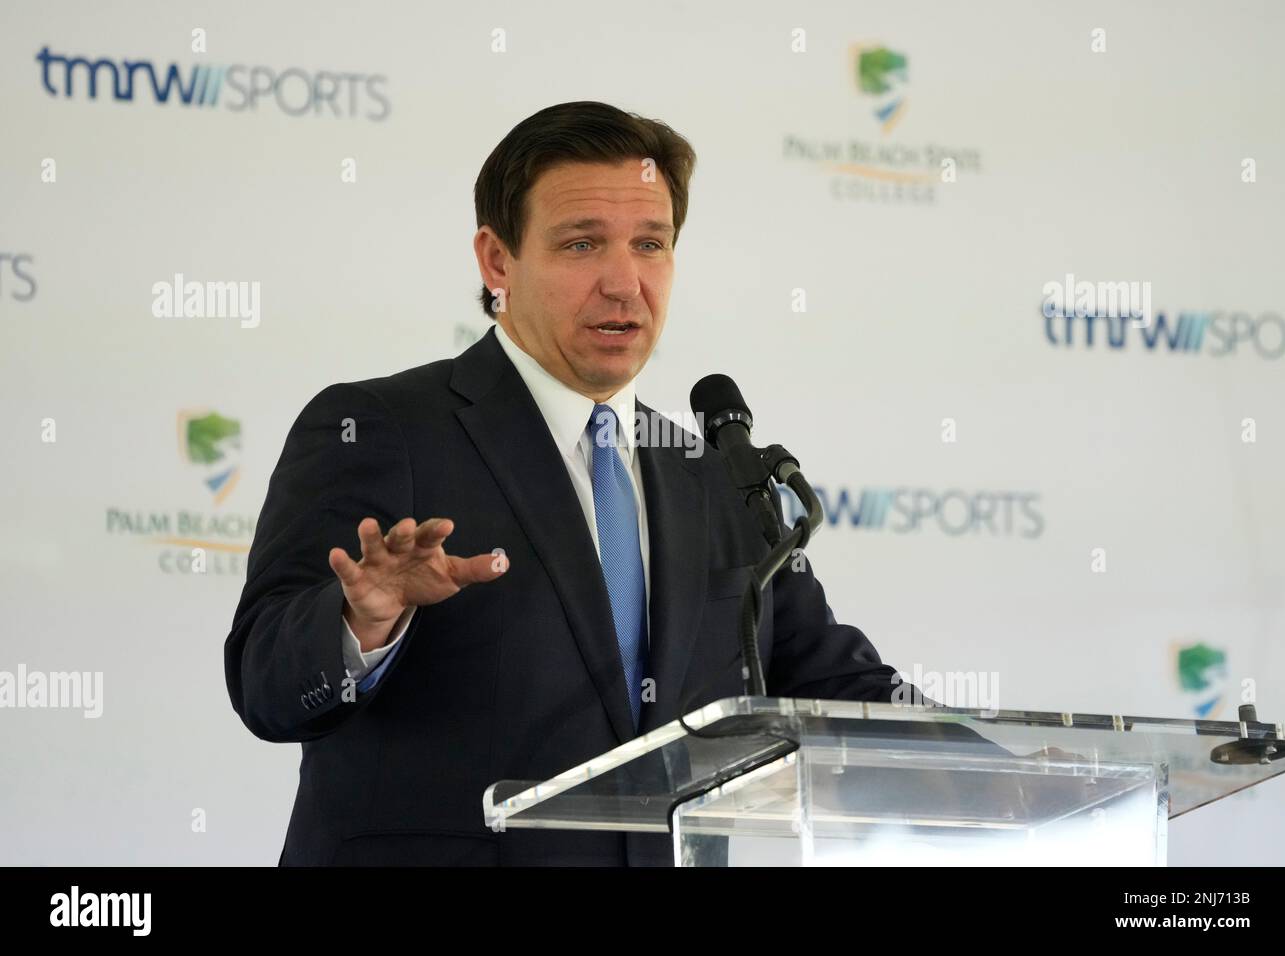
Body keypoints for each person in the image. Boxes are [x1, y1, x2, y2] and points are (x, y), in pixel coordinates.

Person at [225, 101, 924, 866]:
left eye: (650, 244)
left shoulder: (713, 476)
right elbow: (266, 685)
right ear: (498, 262)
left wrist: (997, 757)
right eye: (582, 243)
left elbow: (831, 678)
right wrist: (362, 624)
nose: (624, 283)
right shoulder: (382, 427)